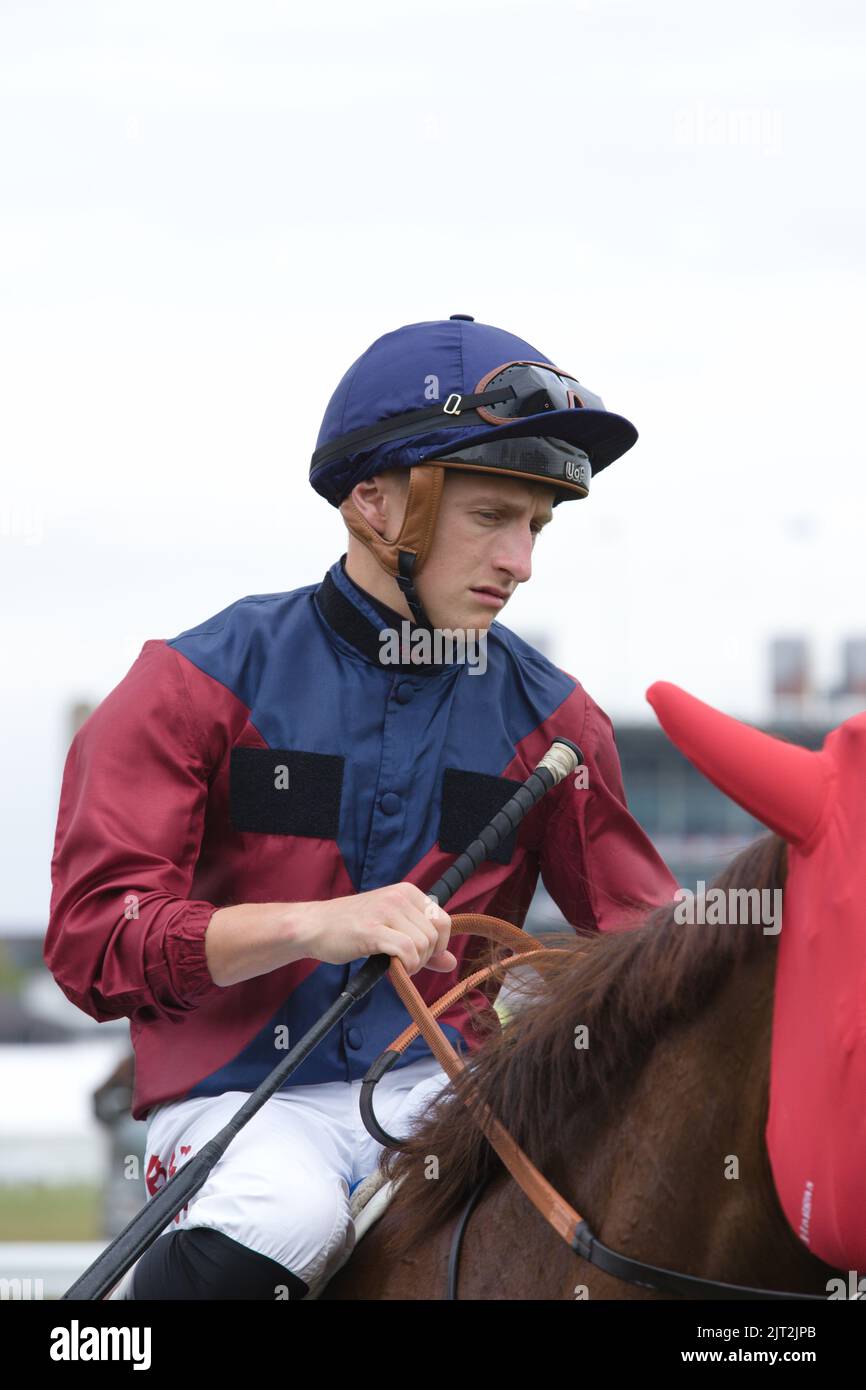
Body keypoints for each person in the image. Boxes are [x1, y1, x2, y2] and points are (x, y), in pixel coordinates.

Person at [46, 314, 678, 1300]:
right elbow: (93, 943)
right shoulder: (188, 684)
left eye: (536, 527)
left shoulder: (559, 722)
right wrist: (317, 925)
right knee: (285, 1216)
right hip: (236, 1109)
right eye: (490, 518)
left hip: (448, 1096)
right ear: (373, 503)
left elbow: (652, 954)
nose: (520, 562)